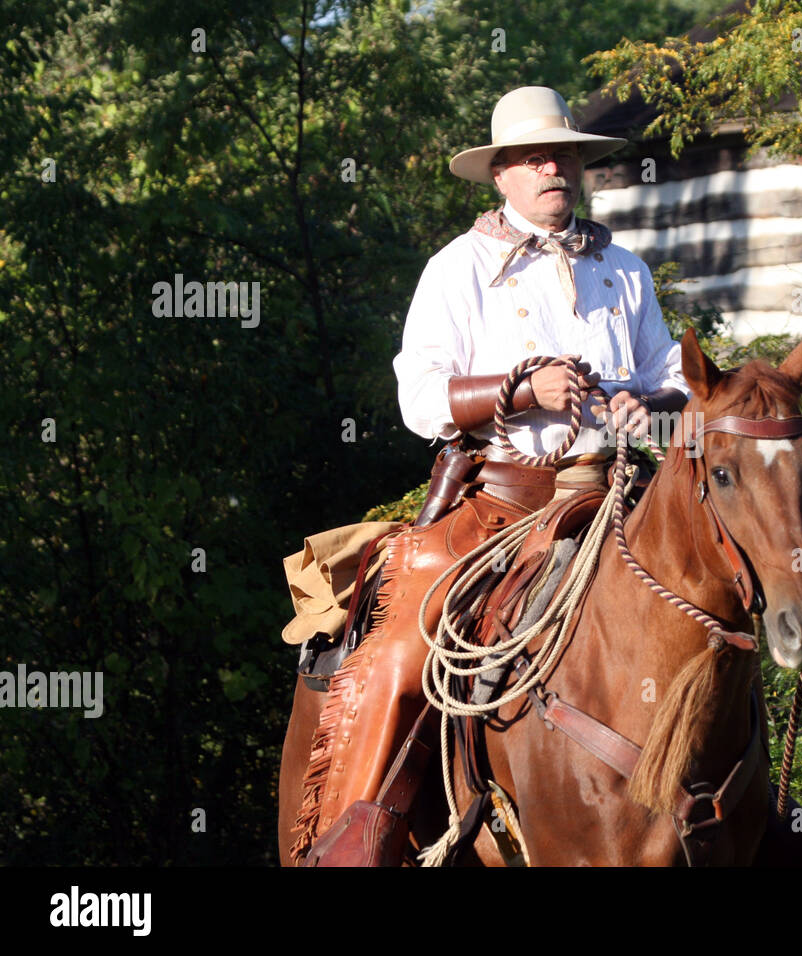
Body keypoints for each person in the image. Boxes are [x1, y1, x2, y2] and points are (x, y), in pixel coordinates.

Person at [289, 86, 689, 864]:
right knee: (403, 648)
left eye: (564, 156)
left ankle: (741, 813)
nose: (553, 169)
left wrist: (653, 404)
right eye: (535, 158)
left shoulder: (624, 270)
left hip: (620, 499)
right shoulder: (458, 268)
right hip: (500, 506)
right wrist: (517, 389)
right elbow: (418, 395)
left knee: (711, 613)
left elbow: (670, 373)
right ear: (500, 174)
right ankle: (352, 838)